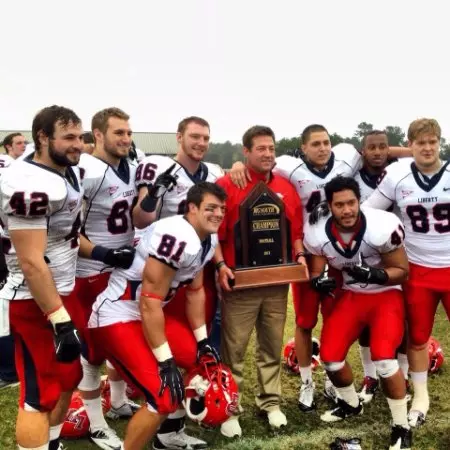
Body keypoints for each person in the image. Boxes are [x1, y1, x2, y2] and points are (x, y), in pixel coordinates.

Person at [229, 125, 411, 412]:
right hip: (310, 247)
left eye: (326, 142)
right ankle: (306, 382)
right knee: (304, 321)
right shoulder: (289, 166)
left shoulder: (346, 156)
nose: (323, 148)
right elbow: (261, 161)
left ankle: (331, 377)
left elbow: (380, 151)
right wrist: (237, 163)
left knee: (335, 319)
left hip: (336, 252)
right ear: (303, 148)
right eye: (315, 144)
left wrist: (418, 151)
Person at [87, 182, 226, 450]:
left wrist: (202, 340)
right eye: (211, 208)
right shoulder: (177, 235)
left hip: (146, 315)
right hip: (117, 315)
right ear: (192, 208)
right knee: (163, 396)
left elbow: (195, 291)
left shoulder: (207, 238)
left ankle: (169, 435)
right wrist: (165, 360)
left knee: (204, 362)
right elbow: (149, 301)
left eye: (222, 208)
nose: (218, 214)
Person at [132, 116, 223, 450]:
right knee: (152, 346)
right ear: (179, 137)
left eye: (206, 138)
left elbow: (212, 228)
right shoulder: (158, 167)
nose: (200, 143)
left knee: (189, 348)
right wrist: (156, 191)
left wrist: (219, 261)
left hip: (189, 272)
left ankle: (170, 428)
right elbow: (139, 218)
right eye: (194, 137)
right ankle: (125, 403)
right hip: (154, 267)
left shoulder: (212, 173)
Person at [0, 105, 85, 450]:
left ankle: (49, 442)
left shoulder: (66, 169)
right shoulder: (28, 181)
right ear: (43, 138)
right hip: (34, 300)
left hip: (62, 288)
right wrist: (60, 321)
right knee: (39, 393)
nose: (78, 144)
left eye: (80, 137)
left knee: (69, 376)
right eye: (69, 138)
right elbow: (31, 261)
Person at [305, 176, 411, 450]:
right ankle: (351, 404)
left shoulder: (380, 226)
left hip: (386, 296)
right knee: (330, 358)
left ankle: (401, 425)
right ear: (330, 205)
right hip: (353, 296)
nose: (347, 210)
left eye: (352, 202)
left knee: (385, 359)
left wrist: (376, 274)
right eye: (340, 205)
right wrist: (318, 280)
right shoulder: (317, 229)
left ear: (359, 201)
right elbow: (317, 267)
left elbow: (402, 271)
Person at [215, 125, 306, 437]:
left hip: (276, 282)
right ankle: (230, 407)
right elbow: (214, 233)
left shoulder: (286, 186)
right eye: (261, 149)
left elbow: (294, 233)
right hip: (240, 283)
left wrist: (300, 254)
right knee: (234, 350)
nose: (268, 154)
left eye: (271, 148)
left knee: (271, 345)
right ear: (246, 151)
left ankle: (270, 402)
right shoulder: (227, 183)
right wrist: (221, 265)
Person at [364, 118, 450, 428]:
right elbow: (369, 211)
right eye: (421, 142)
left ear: (439, 142)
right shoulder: (398, 176)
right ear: (410, 145)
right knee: (416, 337)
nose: (428, 148)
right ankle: (422, 396)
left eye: (433, 141)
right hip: (418, 270)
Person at [74, 107, 139, 450]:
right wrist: (103, 254)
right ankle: (96, 423)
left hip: (120, 268)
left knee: (119, 338)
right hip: (92, 271)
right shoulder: (86, 171)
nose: (126, 139)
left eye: (128, 132)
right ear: (97, 135)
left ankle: (117, 402)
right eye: (118, 133)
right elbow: (68, 229)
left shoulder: (131, 160)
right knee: (94, 350)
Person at [355, 131, 409, 403]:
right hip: (366, 256)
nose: (377, 152)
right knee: (365, 320)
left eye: (383, 147)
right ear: (362, 151)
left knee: (405, 319)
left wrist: (409, 151)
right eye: (371, 147)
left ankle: (406, 373)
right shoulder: (353, 176)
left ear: (390, 149)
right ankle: (370, 375)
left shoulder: (401, 173)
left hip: (400, 252)